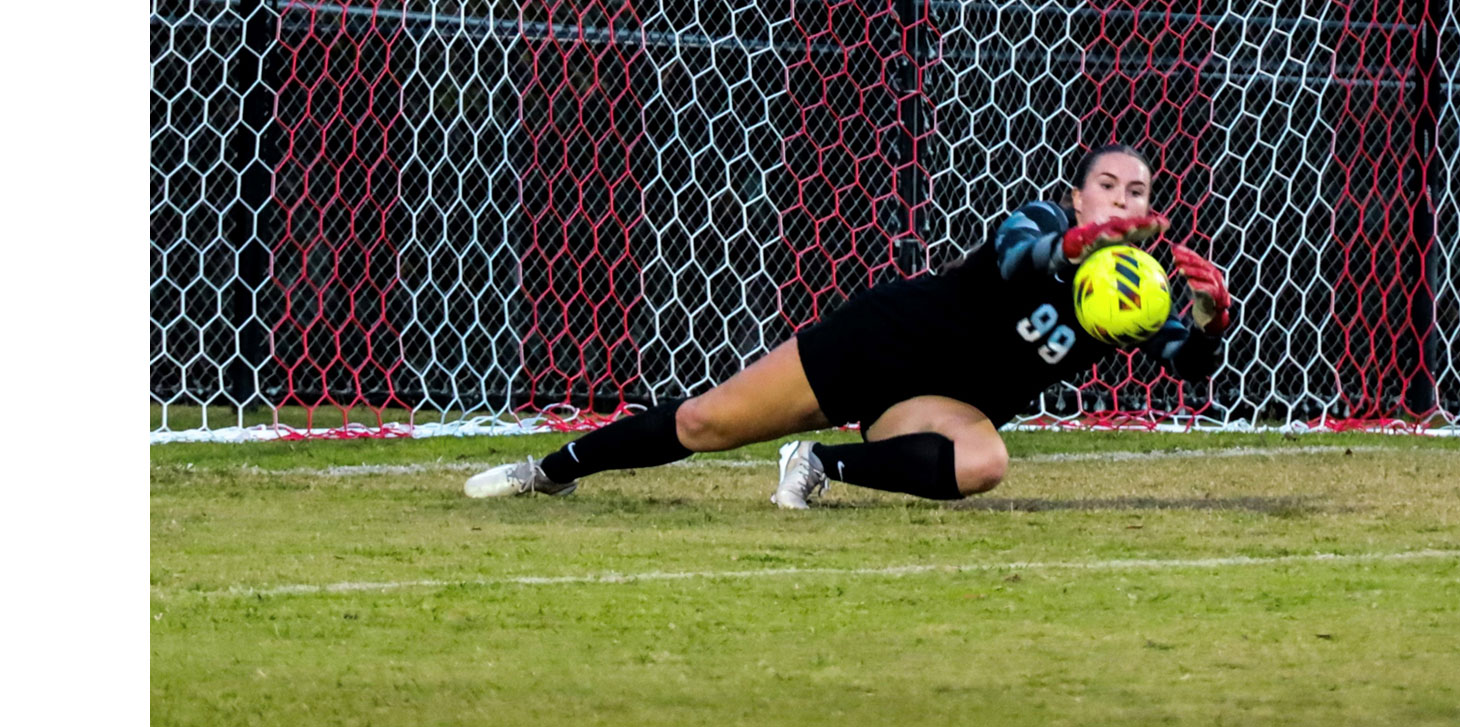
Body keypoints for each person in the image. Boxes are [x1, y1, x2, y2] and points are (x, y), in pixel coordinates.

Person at [465, 143, 1233, 509]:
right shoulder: (1042, 222)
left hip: (944, 402)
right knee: (705, 420)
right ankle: (553, 469)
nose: (1122, 198)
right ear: (1078, 196)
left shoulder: (1140, 291)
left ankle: (820, 466)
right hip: (886, 340)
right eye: (1107, 184)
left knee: (986, 461)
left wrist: (1206, 317)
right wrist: (1068, 246)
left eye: (1137, 191)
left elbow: (1185, 359)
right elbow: (1012, 259)